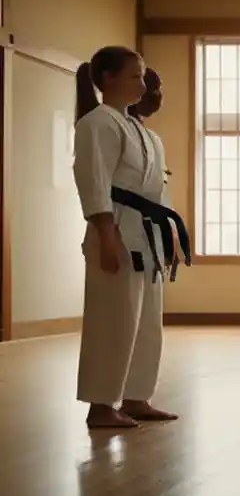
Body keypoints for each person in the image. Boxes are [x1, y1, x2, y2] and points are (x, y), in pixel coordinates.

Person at [73, 47, 188, 428]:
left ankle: (137, 396)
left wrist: (169, 236)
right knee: (113, 320)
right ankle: (101, 404)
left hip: (147, 235)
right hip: (117, 230)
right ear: (107, 78)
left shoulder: (144, 133)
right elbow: (94, 182)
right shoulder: (98, 123)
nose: (143, 83)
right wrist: (106, 234)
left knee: (146, 321)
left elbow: (157, 192)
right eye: (135, 76)